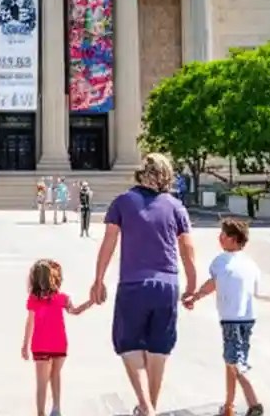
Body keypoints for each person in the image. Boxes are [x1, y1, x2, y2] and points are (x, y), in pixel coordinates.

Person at [90, 153, 197, 416]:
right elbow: (187, 248)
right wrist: (192, 283)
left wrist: (99, 279)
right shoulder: (175, 206)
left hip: (133, 284)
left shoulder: (123, 202)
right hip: (167, 285)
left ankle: (145, 405)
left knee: (128, 344)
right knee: (159, 347)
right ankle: (152, 405)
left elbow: (109, 241)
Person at [182, 218, 265, 416]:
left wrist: (196, 296)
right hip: (248, 318)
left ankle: (254, 404)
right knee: (232, 361)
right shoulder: (251, 263)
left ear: (233, 239)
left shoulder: (221, 261)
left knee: (235, 361)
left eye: (224, 234)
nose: (220, 237)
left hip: (230, 319)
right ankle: (228, 405)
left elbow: (212, 283)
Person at [21, 258, 94, 416]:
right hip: (59, 344)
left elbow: (30, 323)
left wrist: (24, 345)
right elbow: (75, 311)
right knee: (55, 375)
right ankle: (56, 408)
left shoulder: (33, 300)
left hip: (40, 345)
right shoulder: (62, 298)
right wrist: (90, 302)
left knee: (41, 382)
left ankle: (41, 412)